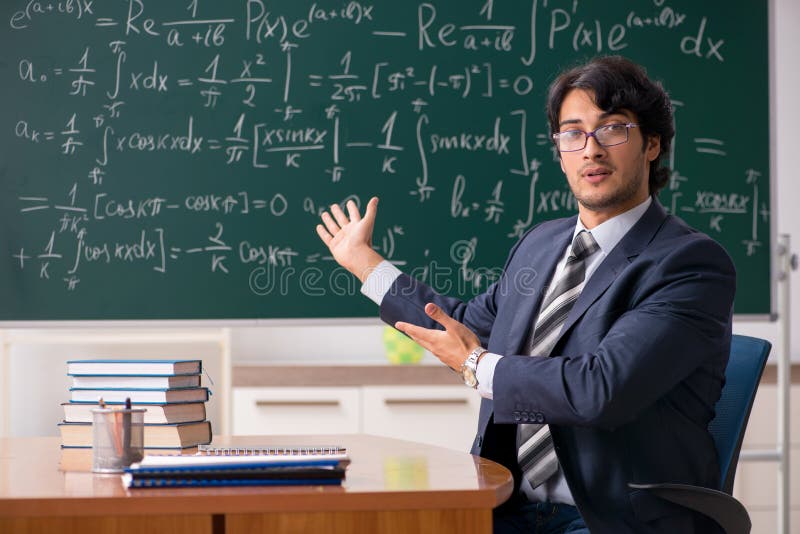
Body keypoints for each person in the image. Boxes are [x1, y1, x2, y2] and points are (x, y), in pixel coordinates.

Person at [316, 55, 735, 534]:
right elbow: (462, 327)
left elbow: (600, 389)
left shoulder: (689, 263)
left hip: (612, 518)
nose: (591, 149)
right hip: (510, 507)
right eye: (572, 133)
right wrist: (364, 264)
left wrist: (476, 366)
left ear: (652, 144)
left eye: (612, 129)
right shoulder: (540, 246)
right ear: (559, 149)